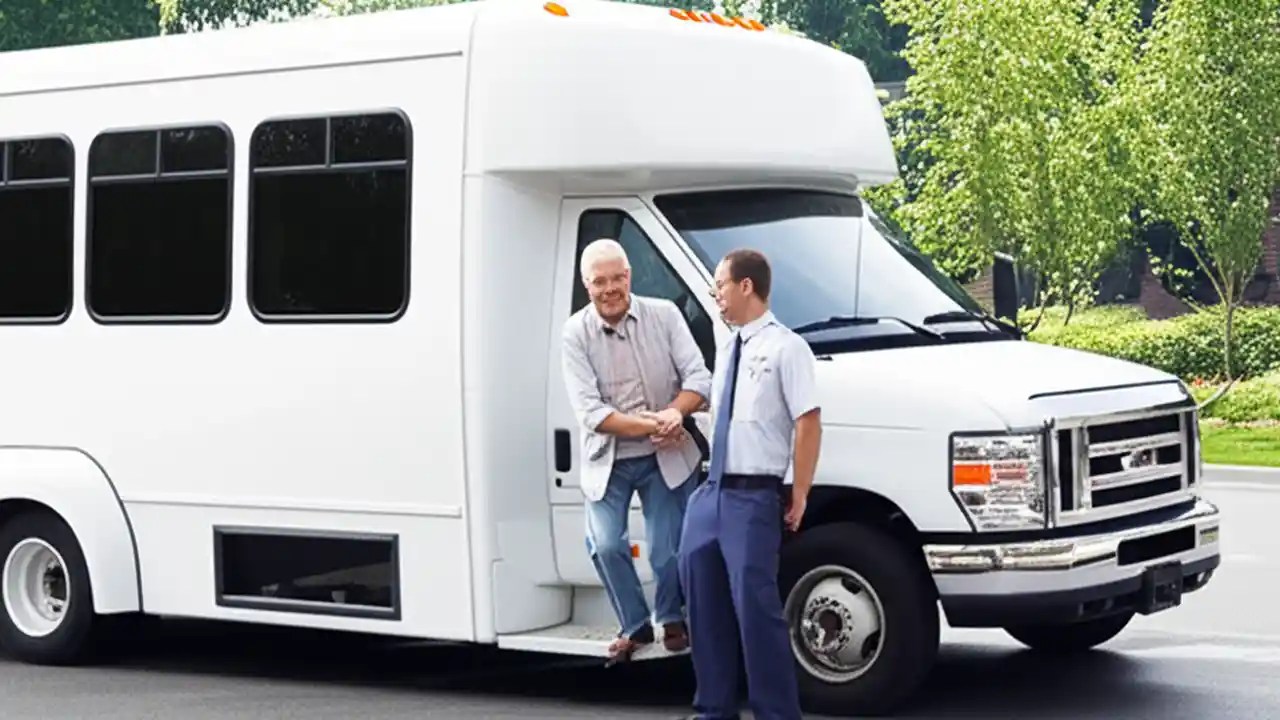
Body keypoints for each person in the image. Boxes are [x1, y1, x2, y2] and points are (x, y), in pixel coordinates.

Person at [678, 248, 822, 720]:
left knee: (756, 611)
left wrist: (799, 491)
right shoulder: (727, 346)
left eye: (719, 285)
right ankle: (713, 709)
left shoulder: (787, 347)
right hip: (710, 490)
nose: (714, 296)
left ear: (745, 286)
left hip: (752, 494)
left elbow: (808, 421)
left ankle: (777, 713)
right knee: (702, 603)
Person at [560, 238, 713, 663]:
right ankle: (634, 626)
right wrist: (658, 422)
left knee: (668, 551)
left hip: (668, 453)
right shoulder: (575, 333)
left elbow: (699, 381)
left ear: (629, 276)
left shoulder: (665, 315)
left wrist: (675, 416)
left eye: (617, 278)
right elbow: (591, 413)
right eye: (599, 281)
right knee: (605, 544)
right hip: (608, 458)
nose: (610, 288)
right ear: (586, 284)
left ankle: (671, 617)